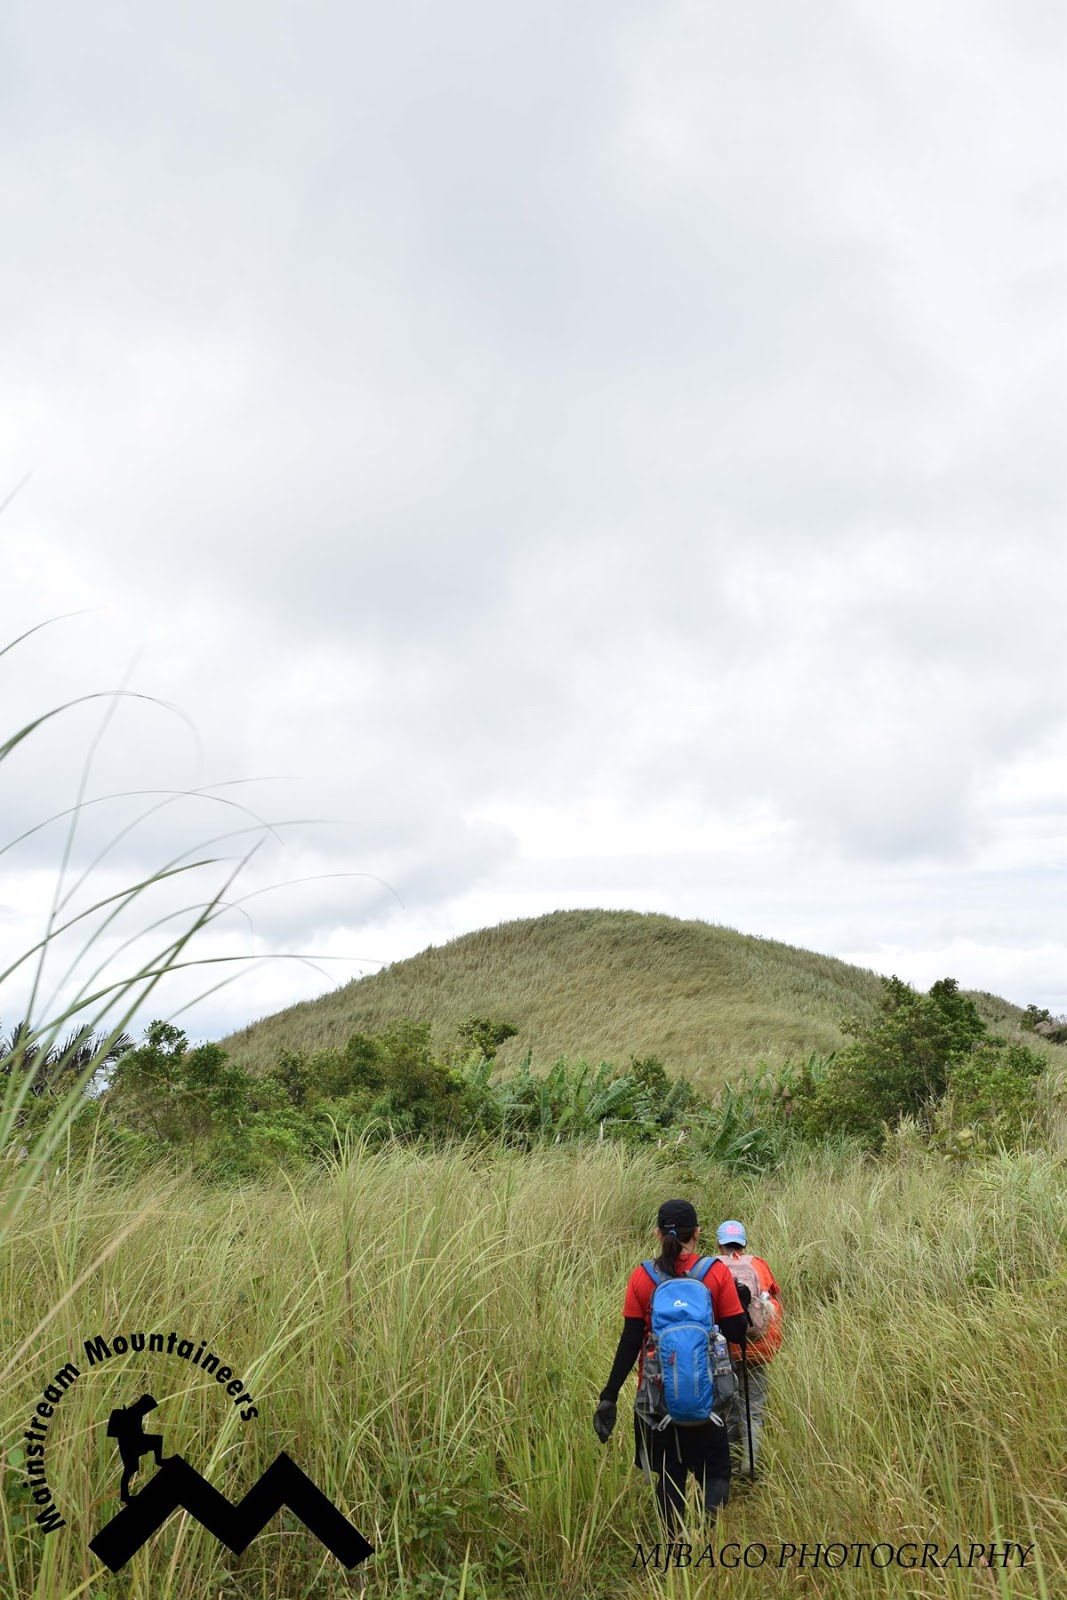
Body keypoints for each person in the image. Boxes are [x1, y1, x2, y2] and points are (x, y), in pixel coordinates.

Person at [593, 1199, 749, 1534]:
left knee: (668, 1474)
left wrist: (609, 1396)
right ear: (698, 1233)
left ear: (657, 1232)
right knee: (717, 1473)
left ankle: (675, 1547)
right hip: (709, 1398)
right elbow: (737, 1332)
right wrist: (742, 1303)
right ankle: (708, 1541)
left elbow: (630, 1341)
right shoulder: (715, 1273)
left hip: (656, 1400)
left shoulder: (642, 1277)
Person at [714, 1219, 782, 1473]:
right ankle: (750, 1464)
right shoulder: (758, 1265)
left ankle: (730, 1462)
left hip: (722, 1351)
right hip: (756, 1348)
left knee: (727, 1407)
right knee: (753, 1409)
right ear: (744, 1243)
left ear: (718, 1243)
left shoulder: (712, 1268)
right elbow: (775, 1302)